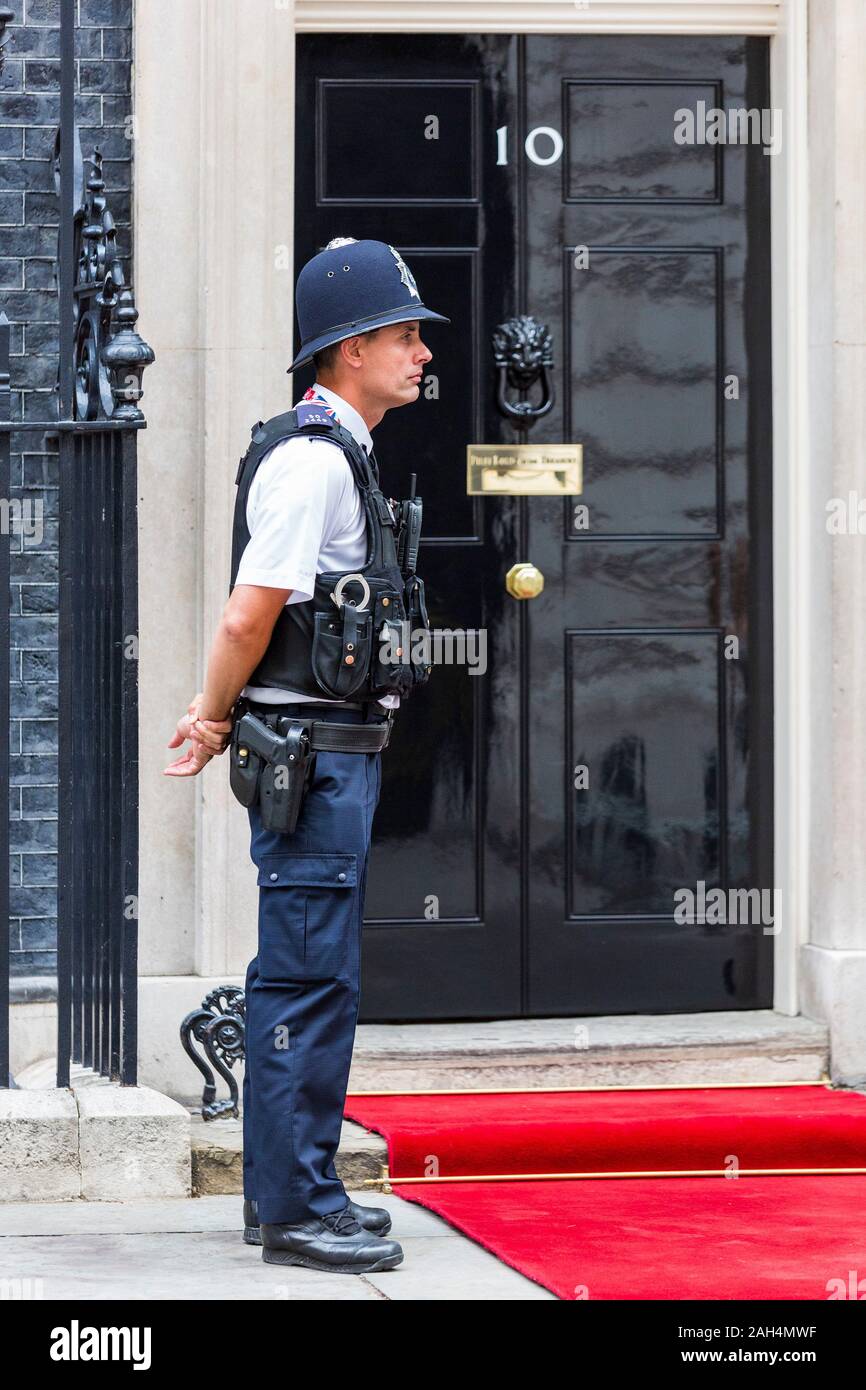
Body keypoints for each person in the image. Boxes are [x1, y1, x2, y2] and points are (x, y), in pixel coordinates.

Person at [164, 237, 449, 1275]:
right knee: (303, 981)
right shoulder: (309, 463)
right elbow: (251, 612)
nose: (421, 352)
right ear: (349, 349)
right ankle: (293, 1206)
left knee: (317, 974)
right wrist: (207, 712)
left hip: (333, 755)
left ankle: (297, 1193)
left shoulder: (343, 457)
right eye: (406, 334)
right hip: (312, 760)